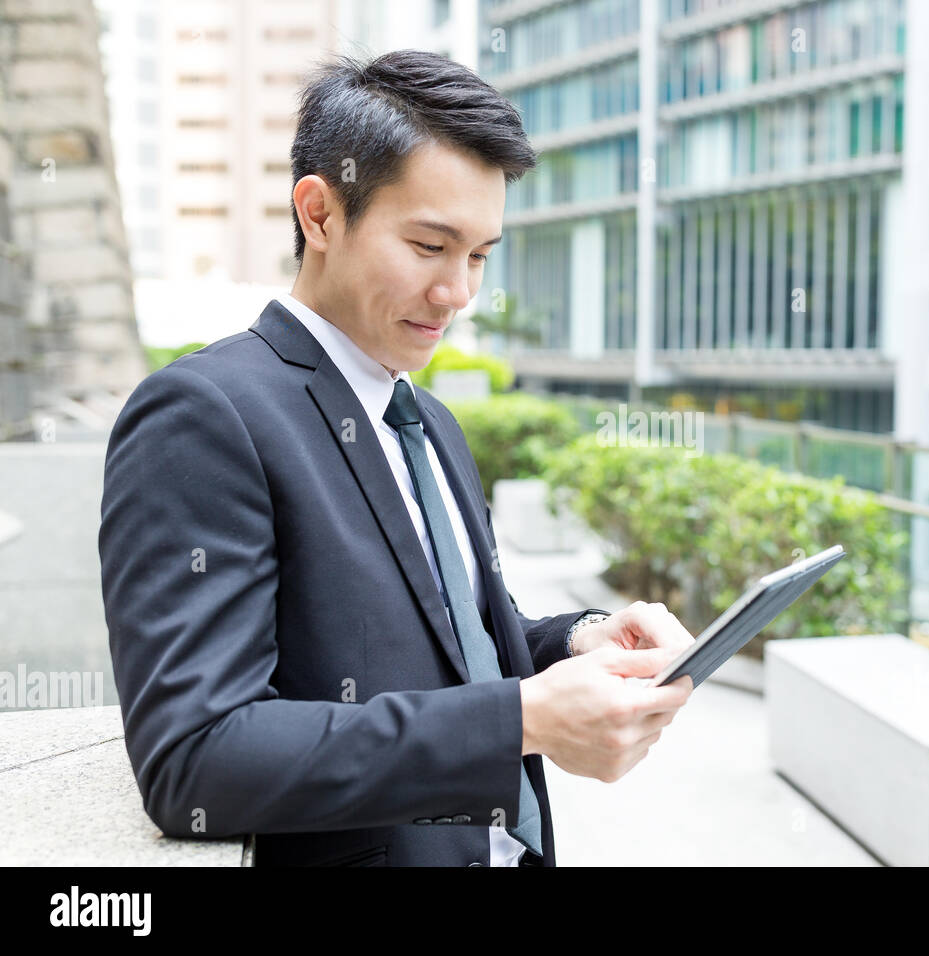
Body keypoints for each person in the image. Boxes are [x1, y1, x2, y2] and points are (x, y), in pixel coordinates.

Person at [98, 50, 696, 868]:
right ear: (319, 214)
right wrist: (522, 716)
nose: (459, 292)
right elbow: (196, 756)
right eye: (428, 245)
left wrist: (576, 642)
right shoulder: (202, 416)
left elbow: (453, 637)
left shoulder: (431, 420)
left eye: (481, 255)